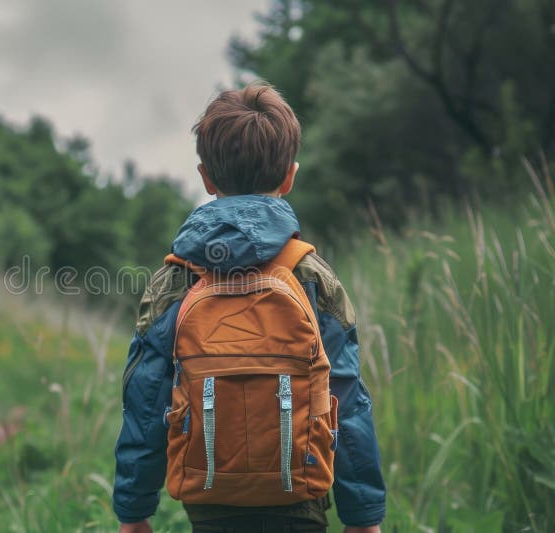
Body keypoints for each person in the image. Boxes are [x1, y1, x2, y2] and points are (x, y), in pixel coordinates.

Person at [113, 82, 386, 533]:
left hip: (210, 495)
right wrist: (364, 517)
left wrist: (133, 510)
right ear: (290, 176)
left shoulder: (176, 278)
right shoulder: (312, 276)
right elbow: (346, 398)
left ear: (205, 177)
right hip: (298, 492)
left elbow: (145, 400)